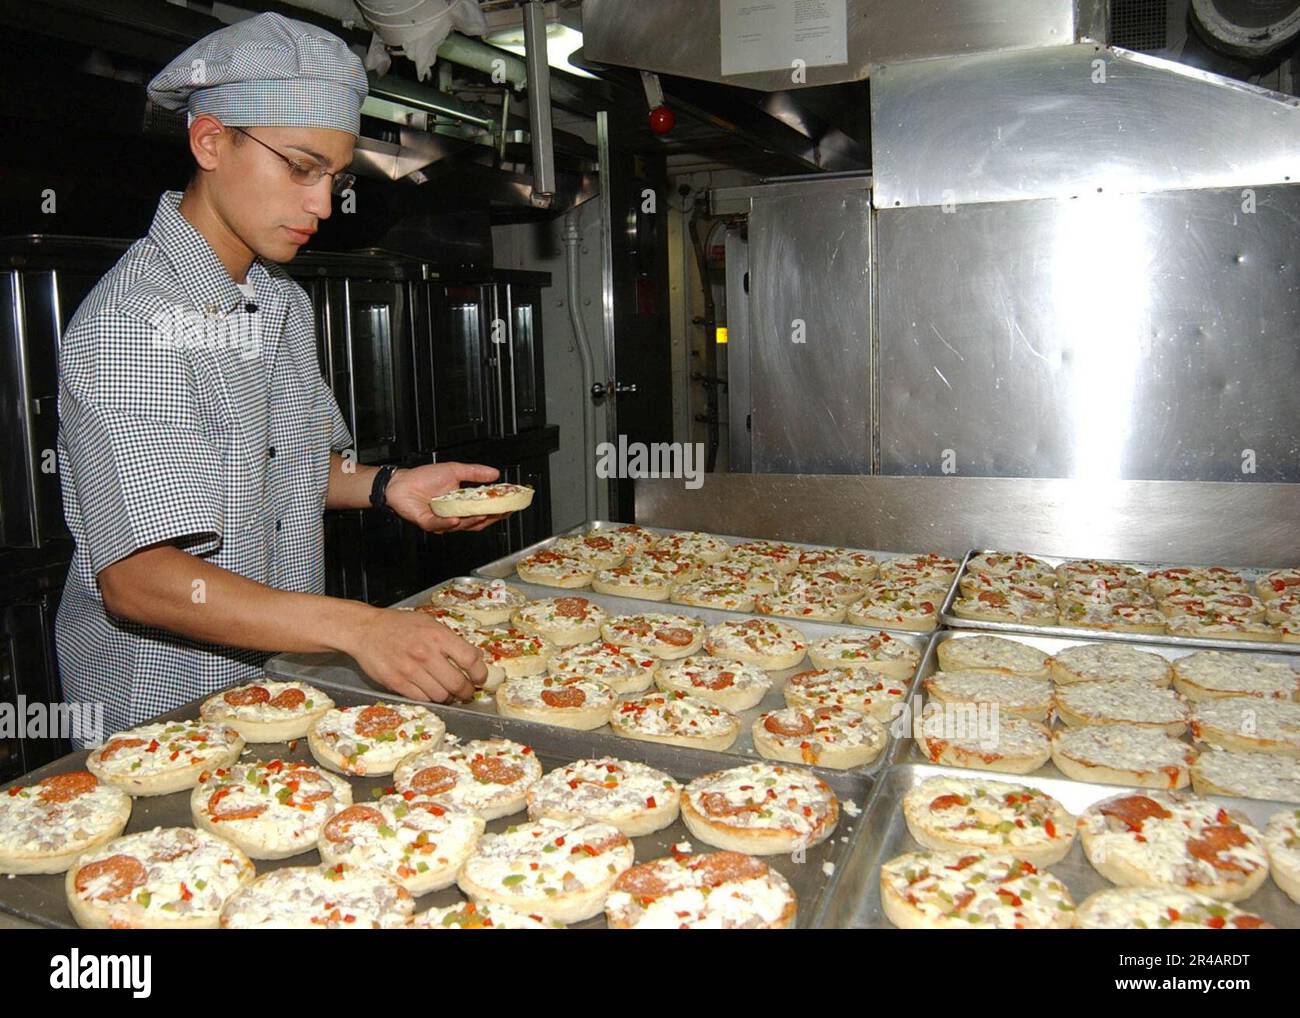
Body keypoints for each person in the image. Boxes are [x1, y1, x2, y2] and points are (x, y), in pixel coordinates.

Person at [56, 12, 501, 745]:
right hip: (164, 716)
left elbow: (284, 465)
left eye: (332, 175)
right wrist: (356, 628)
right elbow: (137, 579)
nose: (322, 205)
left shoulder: (281, 300)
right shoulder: (134, 322)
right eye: (299, 167)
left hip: (272, 688)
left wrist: (390, 486)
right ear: (209, 141)